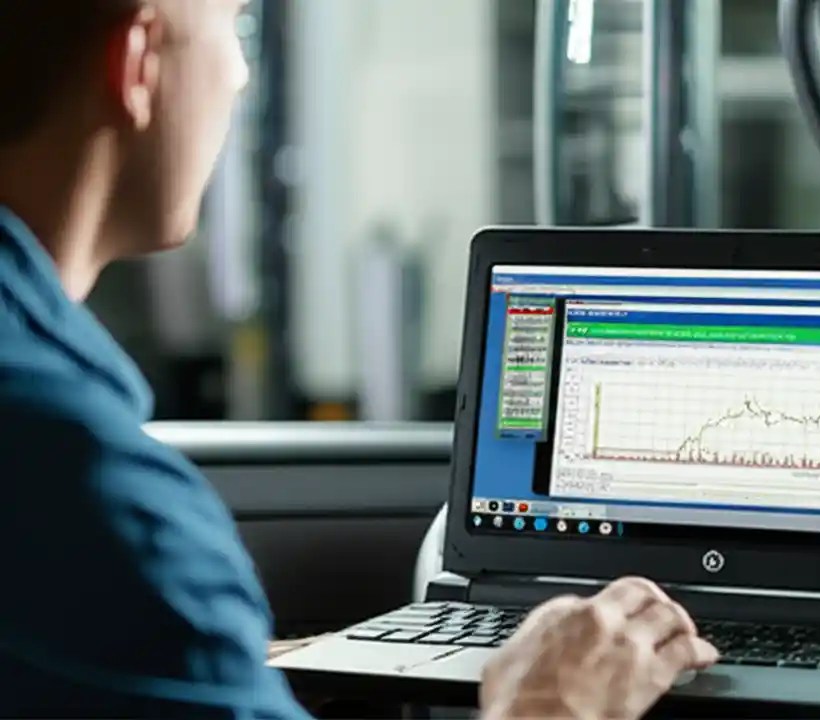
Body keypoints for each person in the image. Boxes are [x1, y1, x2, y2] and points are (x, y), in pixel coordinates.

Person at [0, 1, 716, 717]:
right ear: (139, 60)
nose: (241, 75)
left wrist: (233, 656)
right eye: (235, 29)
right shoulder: (82, 484)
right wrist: (552, 703)